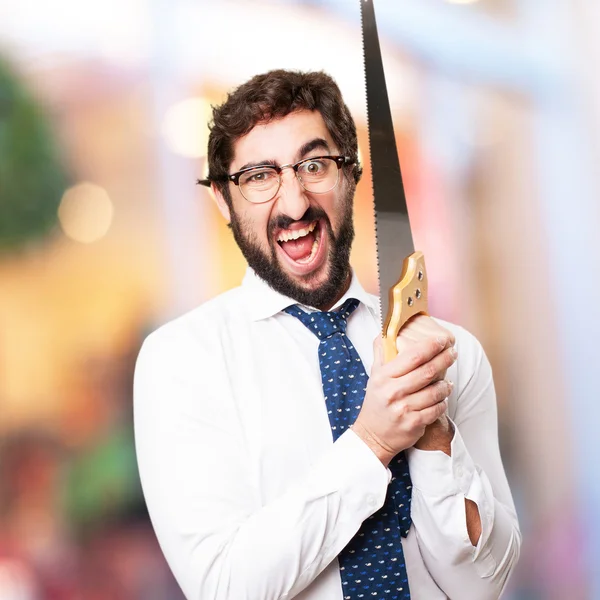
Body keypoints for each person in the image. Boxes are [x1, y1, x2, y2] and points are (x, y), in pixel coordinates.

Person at [133, 70, 521, 600]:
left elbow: (483, 587)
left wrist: (432, 430)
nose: (294, 204)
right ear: (223, 201)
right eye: (258, 176)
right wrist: (374, 443)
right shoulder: (180, 363)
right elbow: (224, 588)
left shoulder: (446, 355)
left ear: (352, 173)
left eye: (314, 165)